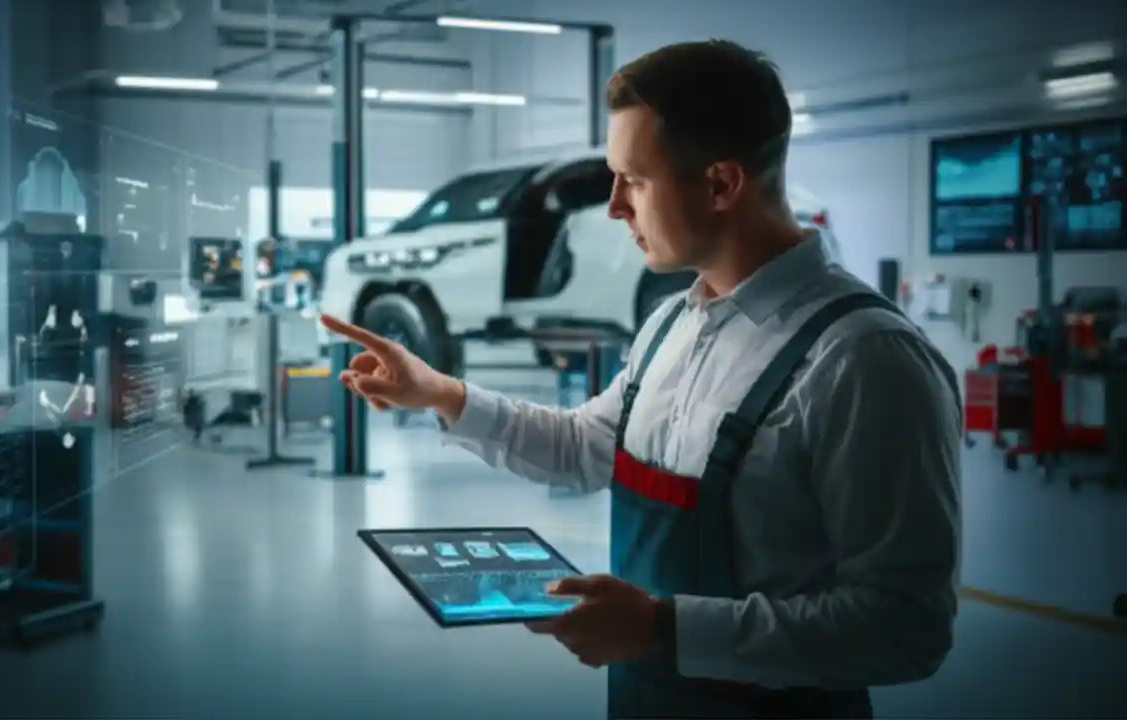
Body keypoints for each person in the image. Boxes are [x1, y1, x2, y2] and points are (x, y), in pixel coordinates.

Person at [321, 39, 961, 720]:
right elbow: (584, 446)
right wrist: (438, 392)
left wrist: (664, 629)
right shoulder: (671, 326)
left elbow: (905, 628)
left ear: (720, 184)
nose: (614, 206)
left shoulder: (866, 360)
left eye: (635, 179)